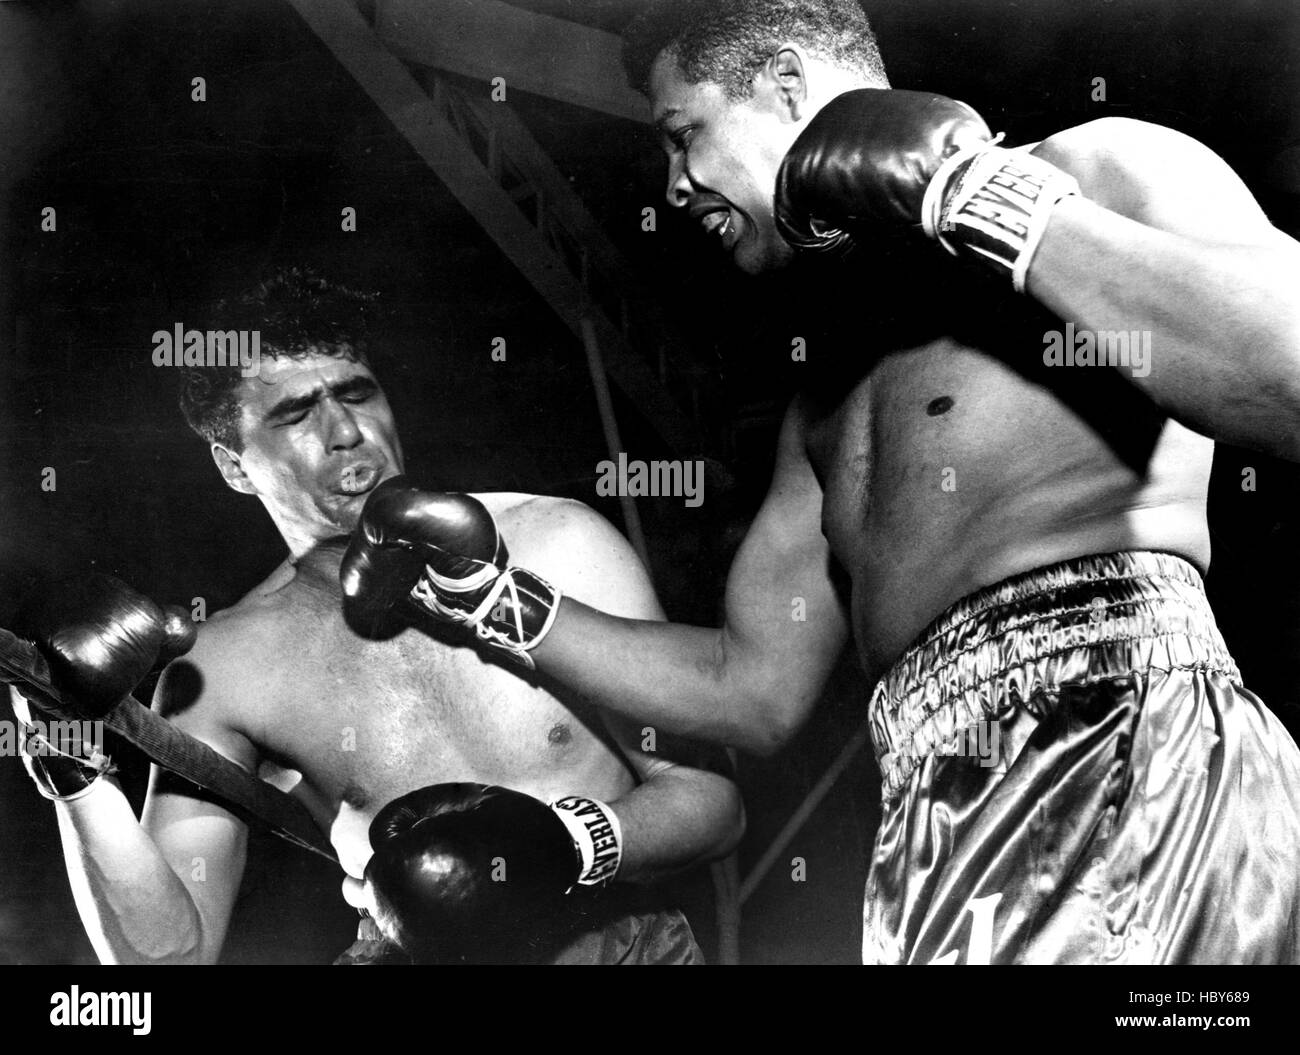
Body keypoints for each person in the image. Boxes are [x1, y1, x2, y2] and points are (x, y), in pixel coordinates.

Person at [348, 1, 1300, 963]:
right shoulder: (827, 398)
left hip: (1131, 752)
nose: (673, 188)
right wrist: (489, 599)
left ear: (789, 88)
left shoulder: (1092, 164)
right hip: (929, 826)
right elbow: (749, 689)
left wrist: (978, 193)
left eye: (685, 139)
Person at [7, 268, 743, 965]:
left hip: (612, 944)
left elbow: (712, 801)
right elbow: (170, 957)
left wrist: (565, 843)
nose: (345, 431)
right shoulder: (228, 663)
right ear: (233, 465)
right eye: (297, 413)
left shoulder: (554, 540)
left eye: (357, 394)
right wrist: (73, 774)